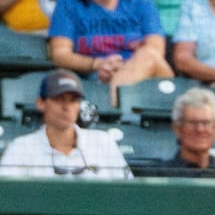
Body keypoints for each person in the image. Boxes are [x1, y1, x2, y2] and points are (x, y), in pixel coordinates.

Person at [47, 0, 175, 99]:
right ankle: (117, 101)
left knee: (148, 54)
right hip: (96, 78)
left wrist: (123, 69)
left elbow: (155, 51)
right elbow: (60, 54)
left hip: (148, 78)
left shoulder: (143, 5)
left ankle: (113, 103)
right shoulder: (69, 4)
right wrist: (98, 64)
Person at [0, 68, 131, 178]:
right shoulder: (21, 148)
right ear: (41, 103)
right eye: (58, 99)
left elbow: (128, 193)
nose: (66, 107)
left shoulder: (103, 142)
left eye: (73, 100)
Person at [157, 85, 215, 170]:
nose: (200, 129)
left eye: (205, 123)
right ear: (177, 128)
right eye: (193, 123)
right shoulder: (160, 174)